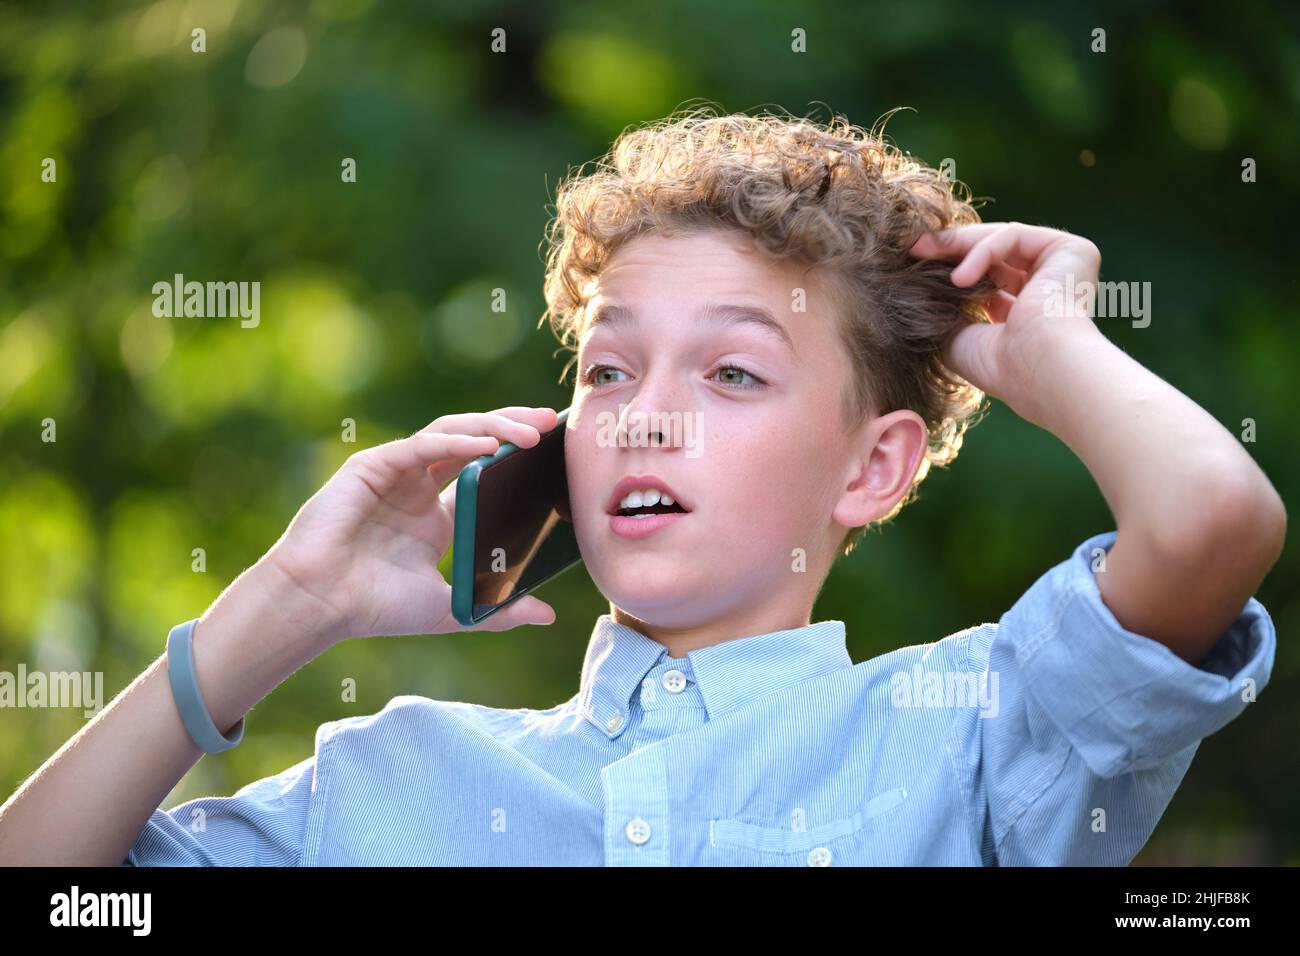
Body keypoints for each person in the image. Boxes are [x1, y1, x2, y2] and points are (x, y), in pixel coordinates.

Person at [0, 108, 1284, 866]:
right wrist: (285, 602)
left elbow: (1210, 522)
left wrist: (1050, 349)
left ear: (874, 465)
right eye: (609, 369)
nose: (646, 413)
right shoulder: (386, 781)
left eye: (731, 372)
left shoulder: (979, 735)